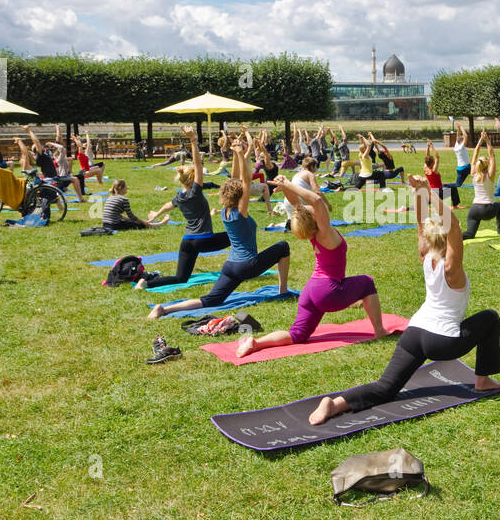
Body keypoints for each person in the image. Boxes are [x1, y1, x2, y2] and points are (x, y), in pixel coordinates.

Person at [306, 175, 500, 425]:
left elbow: (422, 225)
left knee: (385, 387)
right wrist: (429, 192)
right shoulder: (452, 269)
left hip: (414, 334)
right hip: (442, 341)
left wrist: (419, 193)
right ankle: (483, 380)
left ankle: (334, 404)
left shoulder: (426, 257)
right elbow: (453, 225)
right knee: (490, 318)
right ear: (450, 243)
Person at [236, 179, 387, 357]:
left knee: (297, 335)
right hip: (328, 291)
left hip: (310, 291)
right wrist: (290, 186)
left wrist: (285, 188)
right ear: (315, 217)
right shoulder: (324, 231)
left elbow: (296, 204)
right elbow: (316, 200)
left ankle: (255, 342)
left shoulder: (312, 231)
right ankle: (380, 330)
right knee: (367, 282)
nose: (305, 206)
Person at [148, 141, 290, 317]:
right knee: (283, 246)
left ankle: (164, 309)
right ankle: (283, 290)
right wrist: (239, 153)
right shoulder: (240, 212)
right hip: (246, 265)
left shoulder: (224, 211)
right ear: (240, 197)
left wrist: (238, 154)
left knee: (210, 300)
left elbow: (236, 178)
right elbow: (245, 180)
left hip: (230, 266)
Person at [138, 128, 232, 289]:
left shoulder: (179, 197)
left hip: (187, 241)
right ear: (193, 178)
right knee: (237, 234)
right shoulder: (195, 192)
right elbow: (197, 162)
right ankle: (243, 267)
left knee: (181, 278)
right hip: (203, 240)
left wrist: (156, 214)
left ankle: (146, 283)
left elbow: (169, 205)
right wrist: (193, 141)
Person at [23, 125, 88, 202]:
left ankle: (81, 198)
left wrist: (58, 128)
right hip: (51, 179)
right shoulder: (40, 156)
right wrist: (28, 130)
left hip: (56, 177)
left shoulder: (46, 154)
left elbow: (57, 140)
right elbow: (36, 141)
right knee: (72, 181)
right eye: (39, 146)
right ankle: (60, 197)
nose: (41, 145)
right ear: (37, 149)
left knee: (75, 179)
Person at [463, 131, 500, 238]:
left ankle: (453, 237)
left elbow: (474, 156)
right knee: (499, 205)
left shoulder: (473, 174)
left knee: (469, 234)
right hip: (487, 210)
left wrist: (480, 141)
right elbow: (492, 155)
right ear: (488, 165)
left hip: (474, 210)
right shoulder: (490, 175)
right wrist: (487, 140)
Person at [451, 123, 472, 197]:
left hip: (460, 169)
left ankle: (444, 186)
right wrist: (461, 126)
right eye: (463, 140)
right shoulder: (461, 147)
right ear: (461, 141)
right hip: (466, 168)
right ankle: (444, 186)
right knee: (458, 184)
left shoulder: (456, 146)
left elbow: (457, 136)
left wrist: (458, 129)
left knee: (458, 184)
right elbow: (466, 136)